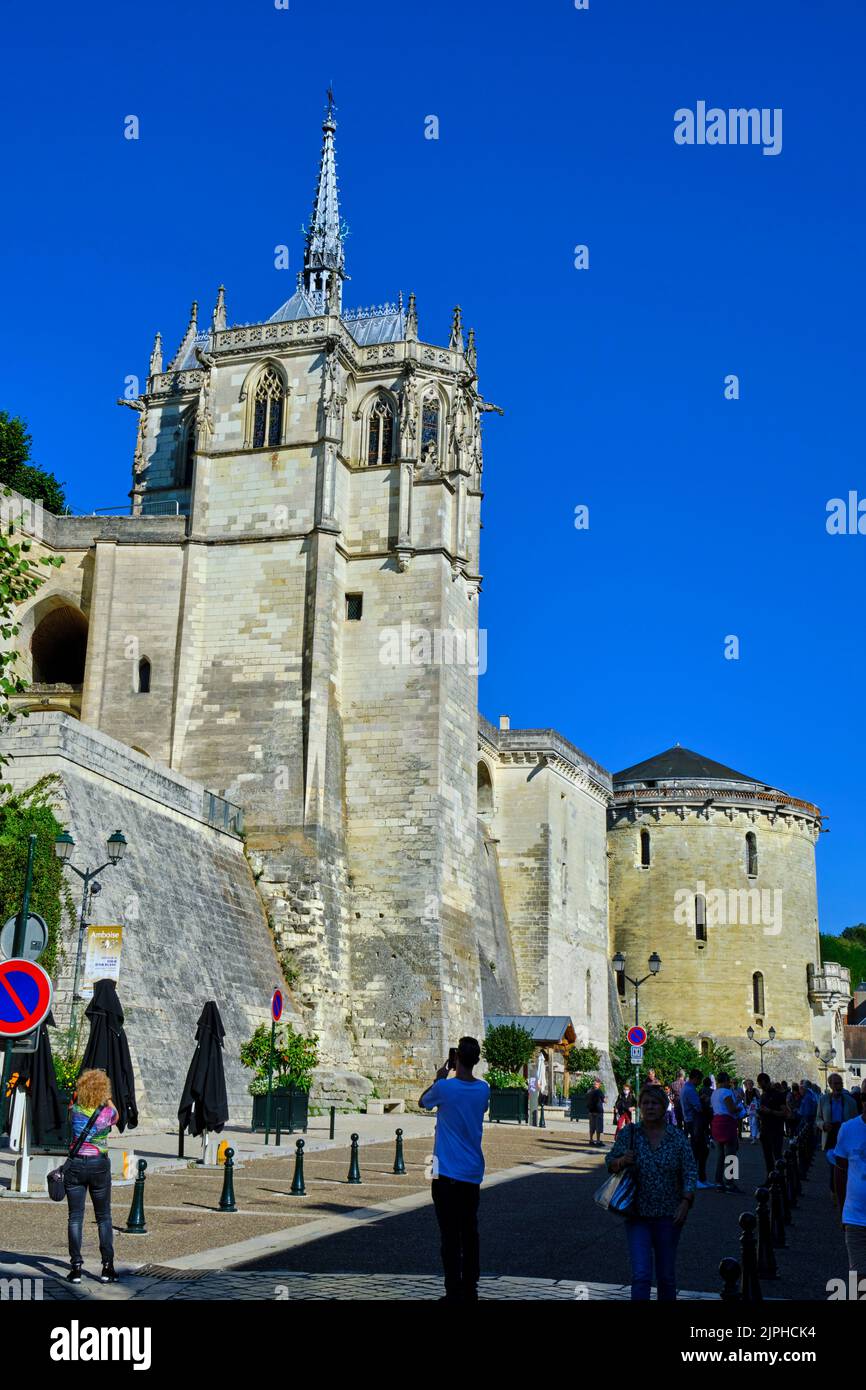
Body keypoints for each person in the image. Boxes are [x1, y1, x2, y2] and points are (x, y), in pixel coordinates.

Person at [606, 1084, 697, 1300]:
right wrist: (620, 1161)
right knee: (641, 1275)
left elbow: (690, 1171)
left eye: (654, 1103)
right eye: (645, 1103)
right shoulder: (631, 1133)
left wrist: (686, 1201)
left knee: (666, 1276)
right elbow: (609, 1162)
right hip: (637, 1214)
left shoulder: (676, 1137)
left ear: (664, 1106)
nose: (649, 1107)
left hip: (669, 1215)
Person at [419, 1036, 490, 1304]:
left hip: (445, 1172)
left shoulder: (445, 1089)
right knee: (470, 1232)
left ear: (456, 1058)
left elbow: (422, 1101)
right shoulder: (484, 1089)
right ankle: (470, 1288)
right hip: (472, 1172)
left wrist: (439, 1077)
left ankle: (452, 1290)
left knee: (449, 1236)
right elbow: (479, 1107)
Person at [65, 1068, 119, 1283]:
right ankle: (107, 1267)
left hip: (76, 1164)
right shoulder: (107, 1114)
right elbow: (117, 1115)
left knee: (75, 1217)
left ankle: (76, 1268)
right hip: (99, 1165)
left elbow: (71, 1105)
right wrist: (107, 1099)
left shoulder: (75, 1110)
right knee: (104, 1217)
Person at [833, 1100, 866, 1273]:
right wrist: (842, 1209)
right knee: (859, 1277)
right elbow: (840, 1171)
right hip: (856, 1217)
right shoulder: (848, 1129)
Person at [819, 1073, 858, 1193]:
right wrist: (823, 1125)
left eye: (839, 1083)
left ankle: (844, 1191)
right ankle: (835, 1192)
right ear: (830, 1085)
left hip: (845, 1136)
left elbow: (856, 1120)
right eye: (835, 1083)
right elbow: (818, 1118)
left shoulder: (850, 1101)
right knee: (833, 1166)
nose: (837, 1086)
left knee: (844, 1165)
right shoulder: (823, 1099)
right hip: (830, 1135)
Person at [681, 1068, 712, 1187]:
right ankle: (698, 1179)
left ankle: (701, 1178)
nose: (700, 1082)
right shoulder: (690, 1089)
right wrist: (704, 1101)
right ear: (695, 1078)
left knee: (699, 1150)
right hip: (695, 1122)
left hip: (691, 1121)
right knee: (700, 1151)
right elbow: (698, 1107)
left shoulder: (687, 1088)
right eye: (699, 1080)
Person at [710, 1071, 741, 1193]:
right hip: (727, 1123)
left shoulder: (714, 1093)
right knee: (731, 1154)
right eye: (728, 1081)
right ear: (726, 1081)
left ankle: (718, 1182)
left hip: (716, 1122)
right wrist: (739, 1107)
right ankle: (730, 1183)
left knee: (720, 1155)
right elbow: (731, 1109)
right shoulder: (726, 1092)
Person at [757, 1072, 787, 1176]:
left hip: (776, 1130)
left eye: (760, 1084)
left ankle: (781, 1179)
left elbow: (785, 1112)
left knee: (777, 1156)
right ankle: (770, 1179)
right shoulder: (763, 1096)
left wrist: (771, 1111)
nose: (760, 1087)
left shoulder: (778, 1095)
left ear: (764, 1082)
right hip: (765, 1130)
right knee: (768, 1157)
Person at [585, 1079, 606, 1146]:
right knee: (598, 1127)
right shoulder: (599, 1091)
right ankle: (598, 1141)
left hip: (591, 1111)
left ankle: (591, 1140)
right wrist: (606, 1099)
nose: (596, 1085)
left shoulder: (589, 1091)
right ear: (599, 1085)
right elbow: (604, 1100)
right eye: (596, 1084)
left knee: (592, 1126)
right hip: (598, 1111)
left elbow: (586, 1098)